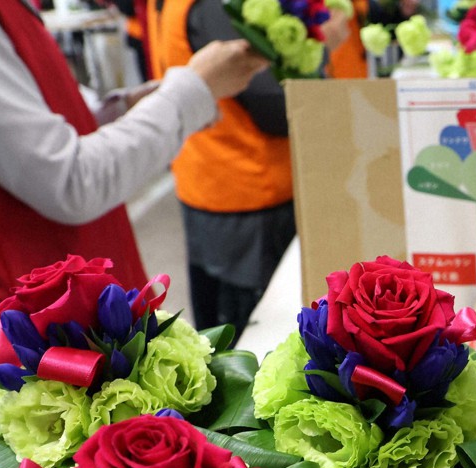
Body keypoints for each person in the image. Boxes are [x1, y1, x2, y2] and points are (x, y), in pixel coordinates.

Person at [0, 0, 268, 468]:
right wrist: (189, 92)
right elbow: (68, 179)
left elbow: (38, 119)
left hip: (70, 330)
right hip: (19, 350)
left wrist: (139, 102)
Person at [148, 0, 349, 340]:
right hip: (246, 197)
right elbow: (273, 102)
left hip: (219, 187)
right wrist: (321, 50)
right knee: (254, 337)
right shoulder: (213, 7)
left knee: (227, 329)